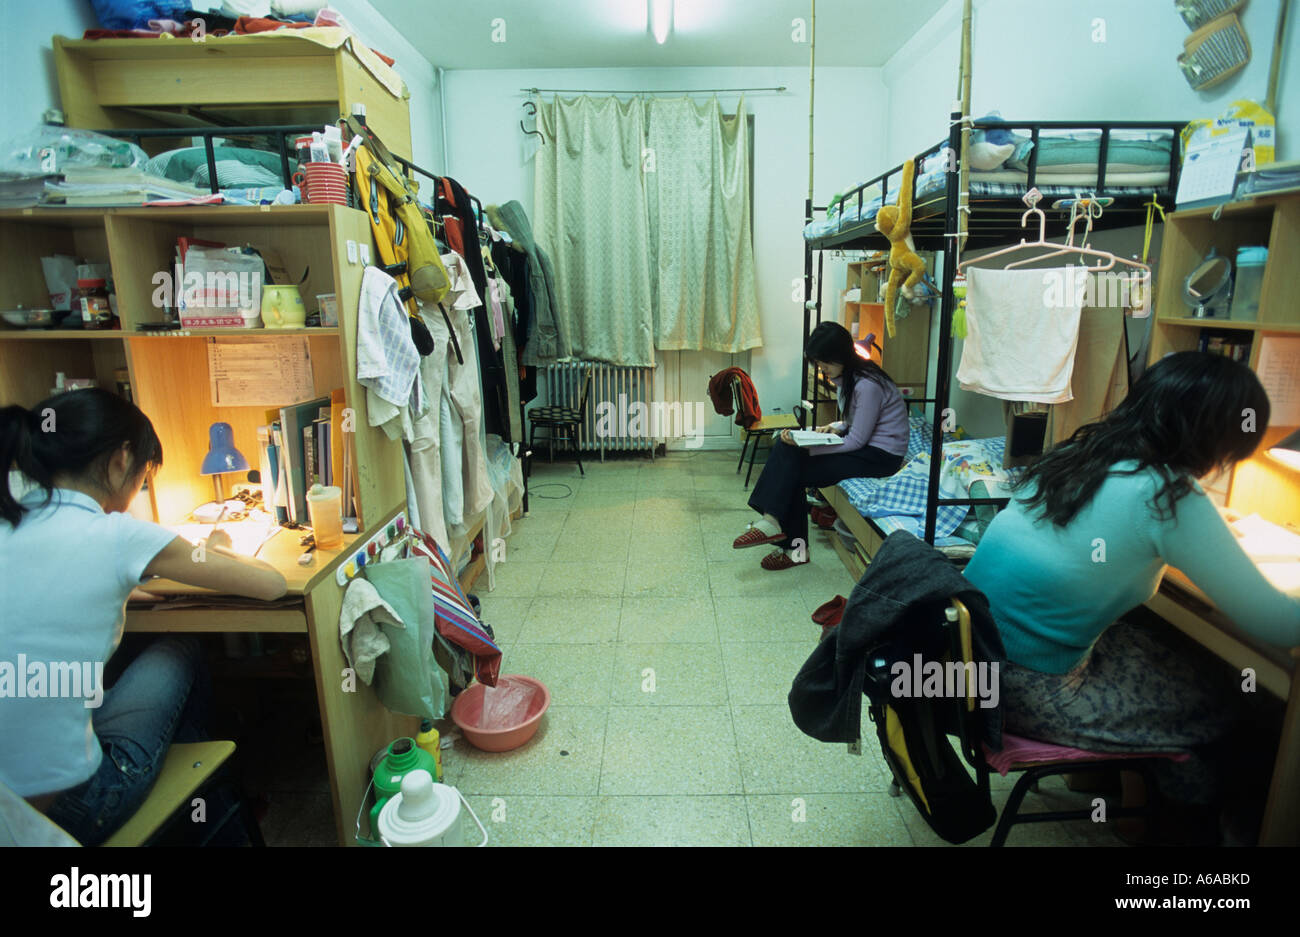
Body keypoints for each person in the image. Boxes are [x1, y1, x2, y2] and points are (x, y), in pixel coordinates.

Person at [963, 351, 1300, 843]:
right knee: (1233, 703)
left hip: (974, 664)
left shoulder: (1078, 456)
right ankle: (1192, 837)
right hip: (1027, 690)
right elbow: (1278, 624)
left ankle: (1144, 813)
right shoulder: (1168, 494)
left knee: (1183, 661)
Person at [0, 389, 287, 845]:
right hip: (76, 807)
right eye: (143, 475)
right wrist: (219, 550)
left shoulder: (13, 517)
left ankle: (200, 804)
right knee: (180, 650)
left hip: (11, 802)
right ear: (121, 459)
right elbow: (273, 586)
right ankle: (207, 808)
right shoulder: (117, 535)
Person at [734, 321, 908, 570]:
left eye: (825, 362)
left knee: (793, 468)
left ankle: (784, 537)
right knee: (787, 448)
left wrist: (812, 447)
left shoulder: (867, 384)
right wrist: (835, 427)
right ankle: (774, 524)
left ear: (842, 357)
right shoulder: (849, 378)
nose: (821, 368)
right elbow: (855, 422)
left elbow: (857, 440)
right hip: (866, 446)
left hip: (880, 456)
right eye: (818, 362)